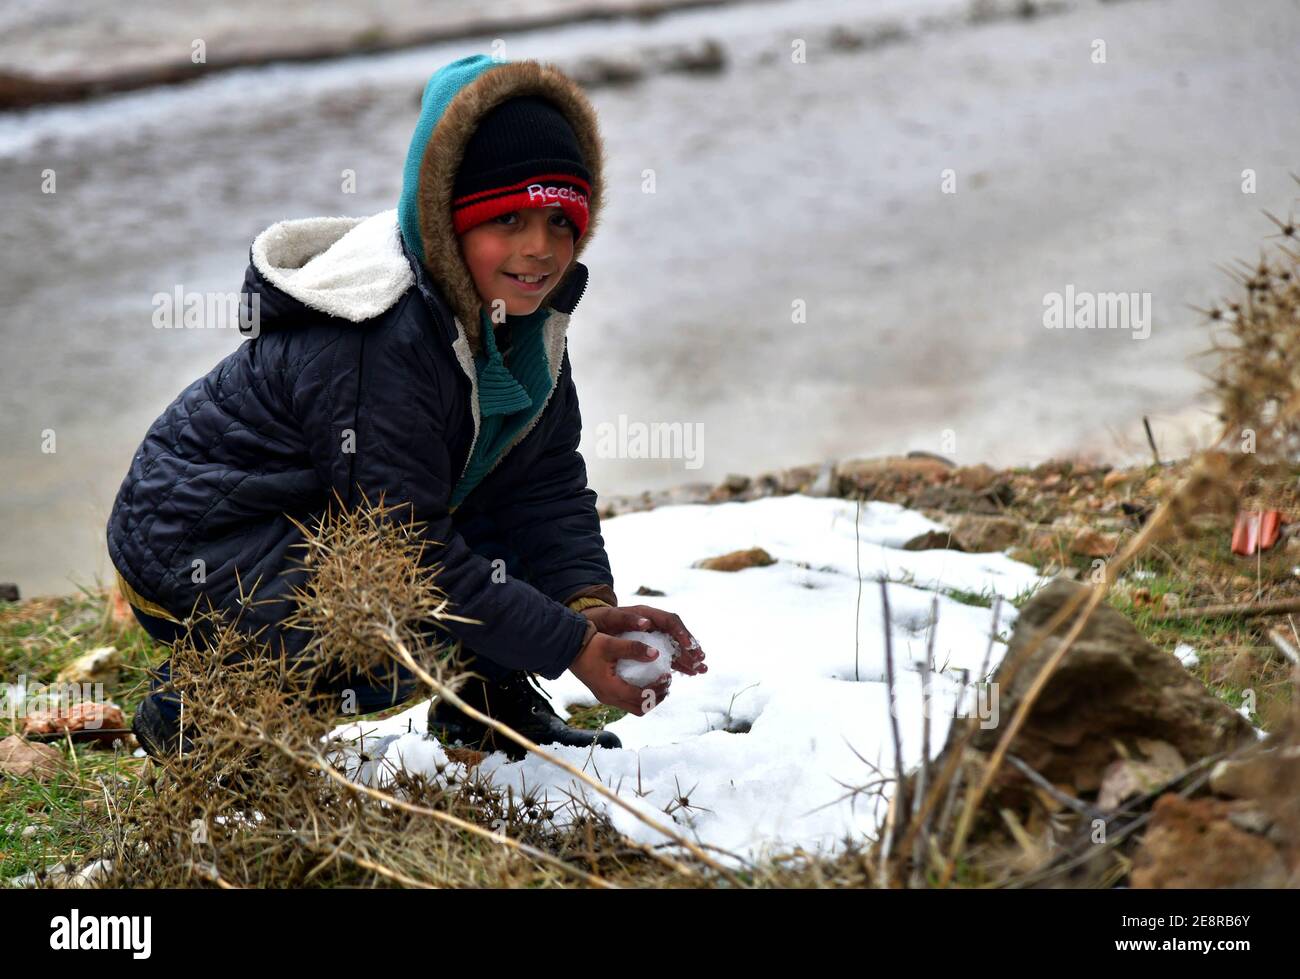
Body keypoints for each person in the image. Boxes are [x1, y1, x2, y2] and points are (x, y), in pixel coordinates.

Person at [106, 53, 706, 762]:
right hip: (195, 544)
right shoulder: (381, 337)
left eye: (561, 221)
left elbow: (543, 483)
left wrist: (585, 603)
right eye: (506, 218)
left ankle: (484, 713)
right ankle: (196, 712)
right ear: (447, 220)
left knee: (496, 518)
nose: (539, 248)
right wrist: (570, 645)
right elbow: (411, 553)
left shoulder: (521, 322)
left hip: (314, 513)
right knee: (396, 621)